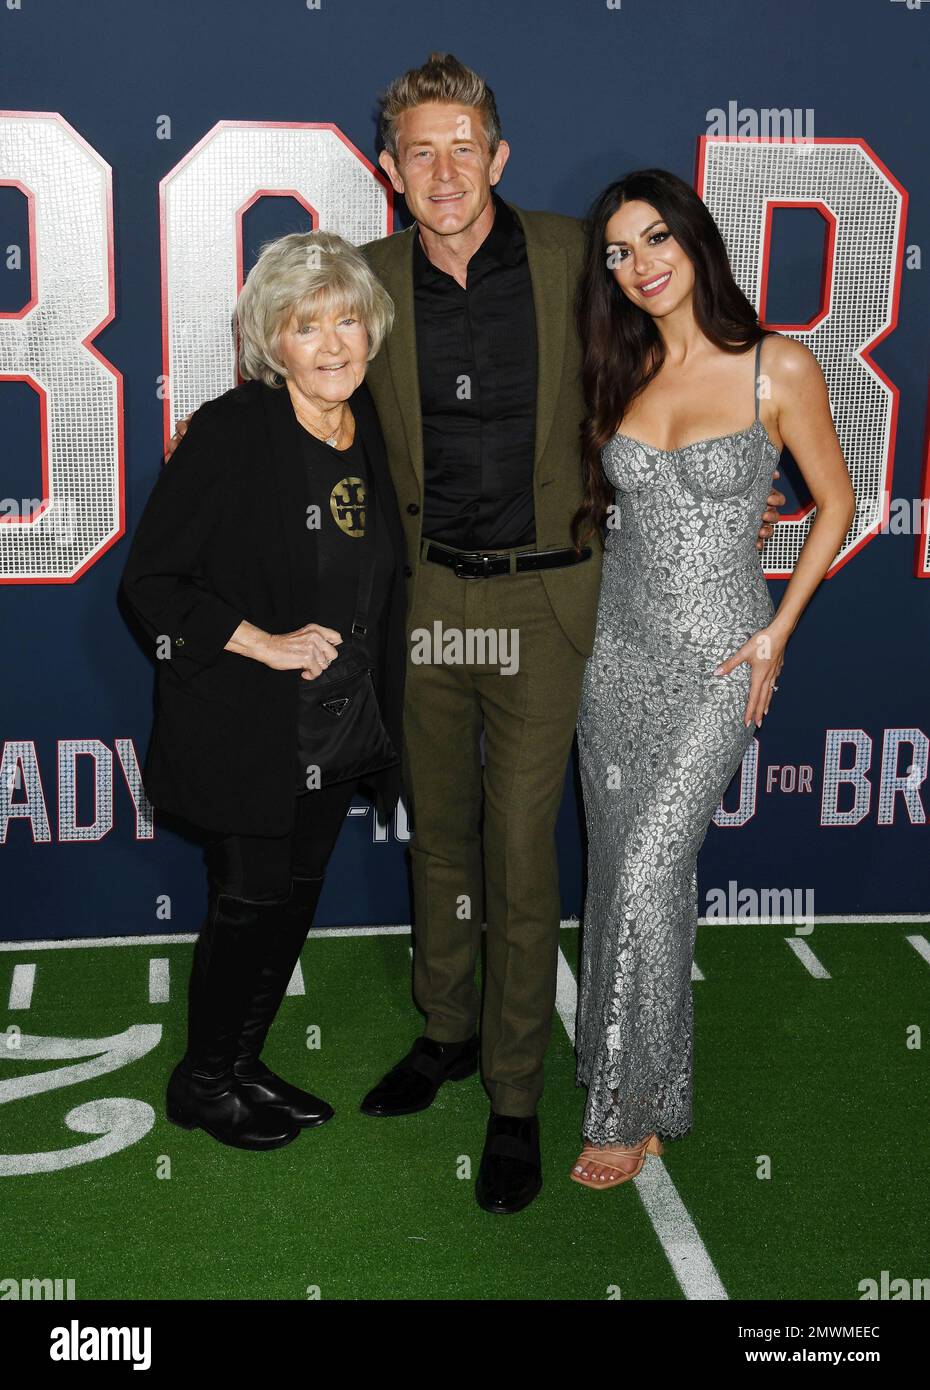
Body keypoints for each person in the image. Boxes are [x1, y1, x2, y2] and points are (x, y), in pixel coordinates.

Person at [166, 53, 784, 1212]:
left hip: (550, 603)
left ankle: (513, 1089)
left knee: (518, 845)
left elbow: (688, 347)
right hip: (430, 603)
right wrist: (227, 435)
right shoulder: (372, 281)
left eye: (466, 147)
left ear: (498, 156)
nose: (445, 171)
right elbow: (306, 374)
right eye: (421, 152)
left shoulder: (573, 258)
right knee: (436, 832)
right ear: (392, 171)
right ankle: (443, 1030)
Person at [569, 169, 856, 1188]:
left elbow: (837, 502)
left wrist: (776, 633)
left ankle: (619, 1107)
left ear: (695, 243)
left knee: (651, 866)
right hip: (613, 662)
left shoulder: (777, 365)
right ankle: (657, 1090)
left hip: (720, 659)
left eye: (655, 241)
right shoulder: (619, 368)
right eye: (618, 252)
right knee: (625, 880)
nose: (639, 266)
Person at [120, 230, 407, 1151]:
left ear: (373, 327)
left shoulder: (378, 432)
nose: (333, 344)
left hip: (340, 727)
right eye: (305, 326)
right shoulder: (235, 430)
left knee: (293, 898)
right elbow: (151, 585)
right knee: (247, 905)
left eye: (347, 319)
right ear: (271, 343)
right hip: (251, 725)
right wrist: (263, 644)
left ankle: (242, 1064)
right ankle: (202, 1083)